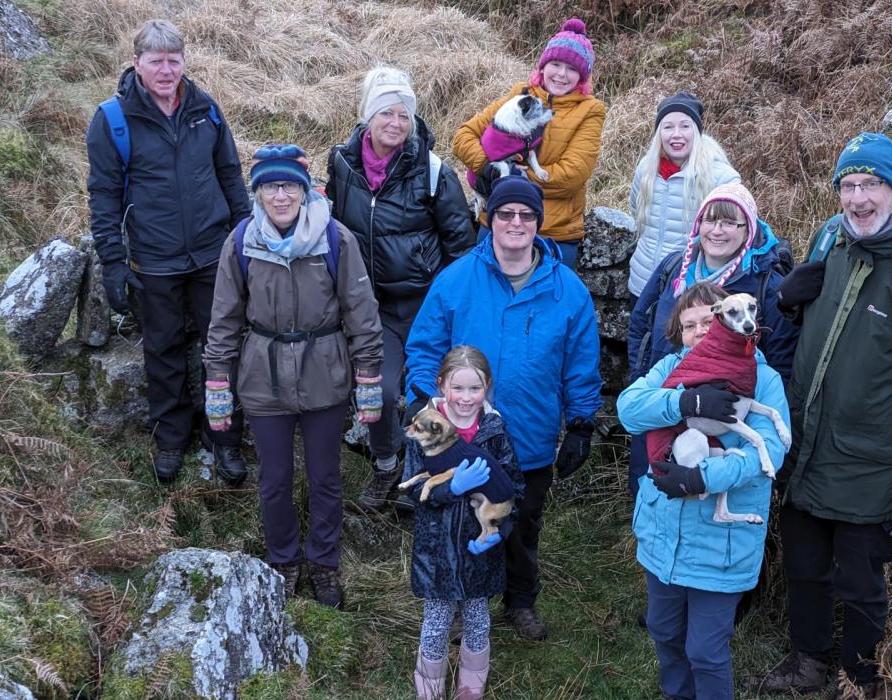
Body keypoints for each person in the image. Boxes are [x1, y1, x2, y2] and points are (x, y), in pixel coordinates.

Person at [760, 133, 892, 698]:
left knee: (859, 580)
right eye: (847, 185)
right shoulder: (831, 239)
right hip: (807, 447)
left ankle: (862, 677)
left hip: (874, 466)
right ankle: (809, 660)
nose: (858, 198)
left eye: (871, 183)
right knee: (803, 561)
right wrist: (786, 301)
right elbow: (813, 331)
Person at [404, 175, 602, 641]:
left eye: (526, 215)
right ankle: (457, 604)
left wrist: (580, 422)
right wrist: (421, 396)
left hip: (529, 433)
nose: (516, 222)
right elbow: (426, 346)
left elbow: (581, 361)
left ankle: (520, 599)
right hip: (461, 434)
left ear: (539, 222)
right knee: (457, 518)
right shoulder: (456, 280)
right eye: (506, 214)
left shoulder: (567, 290)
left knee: (521, 520)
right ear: (489, 219)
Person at [203, 145, 384, 608]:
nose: (280, 196)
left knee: (325, 477)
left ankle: (323, 564)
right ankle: (283, 561)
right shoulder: (241, 241)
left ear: (304, 192)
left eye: (288, 186)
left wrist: (368, 378)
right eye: (270, 186)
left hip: (325, 369)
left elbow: (361, 313)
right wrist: (218, 382)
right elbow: (224, 317)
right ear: (258, 192)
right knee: (275, 478)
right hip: (263, 372)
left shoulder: (335, 239)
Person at [85, 19, 251, 484]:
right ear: (136, 63)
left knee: (222, 350)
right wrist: (114, 263)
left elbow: (231, 176)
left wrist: (244, 241)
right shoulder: (113, 120)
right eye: (155, 61)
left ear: (184, 62)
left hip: (212, 255)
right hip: (153, 259)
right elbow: (103, 196)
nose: (165, 70)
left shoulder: (206, 110)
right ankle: (172, 438)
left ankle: (224, 437)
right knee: (162, 350)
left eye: (173, 60)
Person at [617, 282, 790, 700]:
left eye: (705, 321)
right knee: (664, 631)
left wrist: (704, 478)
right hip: (664, 532)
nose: (698, 331)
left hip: (721, 545)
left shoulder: (761, 379)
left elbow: (769, 453)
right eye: (688, 323)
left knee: (705, 651)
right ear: (679, 330)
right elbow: (628, 409)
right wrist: (685, 404)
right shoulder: (672, 369)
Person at [325, 65, 476, 513]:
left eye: (404, 115)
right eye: (386, 113)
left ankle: (425, 473)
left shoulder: (432, 172)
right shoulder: (342, 163)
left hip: (425, 303)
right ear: (367, 117)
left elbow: (460, 246)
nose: (395, 123)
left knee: (427, 389)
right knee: (380, 390)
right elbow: (330, 226)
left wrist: (449, 303)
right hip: (368, 304)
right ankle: (387, 463)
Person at [626, 182, 798, 497]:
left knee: (708, 496)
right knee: (655, 487)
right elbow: (641, 321)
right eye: (710, 220)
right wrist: (644, 382)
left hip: (731, 409)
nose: (717, 231)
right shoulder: (675, 267)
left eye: (730, 222)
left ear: (749, 227)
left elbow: (783, 356)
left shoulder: (766, 285)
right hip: (666, 398)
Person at [404, 346, 524, 700]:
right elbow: (413, 490)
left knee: (476, 616)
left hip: (479, 552)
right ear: (441, 385)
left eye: (476, 388)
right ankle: (429, 682)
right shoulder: (425, 429)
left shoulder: (495, 431)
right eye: (458, 388)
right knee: (436, 619)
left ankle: (472, 682)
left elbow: (513, 489)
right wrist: (451, 489)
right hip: (436, 550)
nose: (467, 398)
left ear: (487, 387)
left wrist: (499, 531)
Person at [453, 18, 606, 270]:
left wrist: (512, 178)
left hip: (551, 231)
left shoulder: (590, 111)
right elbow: (463, 137)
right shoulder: (519, 95)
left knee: (547, 308)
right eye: (555, 64)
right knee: (485, 304)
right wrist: (489, 168)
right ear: (543, 66)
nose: (561, 74)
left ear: (581, 76)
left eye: (571, 68)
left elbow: (573, 175)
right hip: (498, 222)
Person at [627, 92, 740, 302]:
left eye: (685, 126)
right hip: (642, 282)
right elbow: (635, 209)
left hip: (689, 291)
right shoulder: (646, 169)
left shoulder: (721, 177)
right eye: (668, 127)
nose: (676, 134)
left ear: (697, 131)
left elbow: (736, 234)